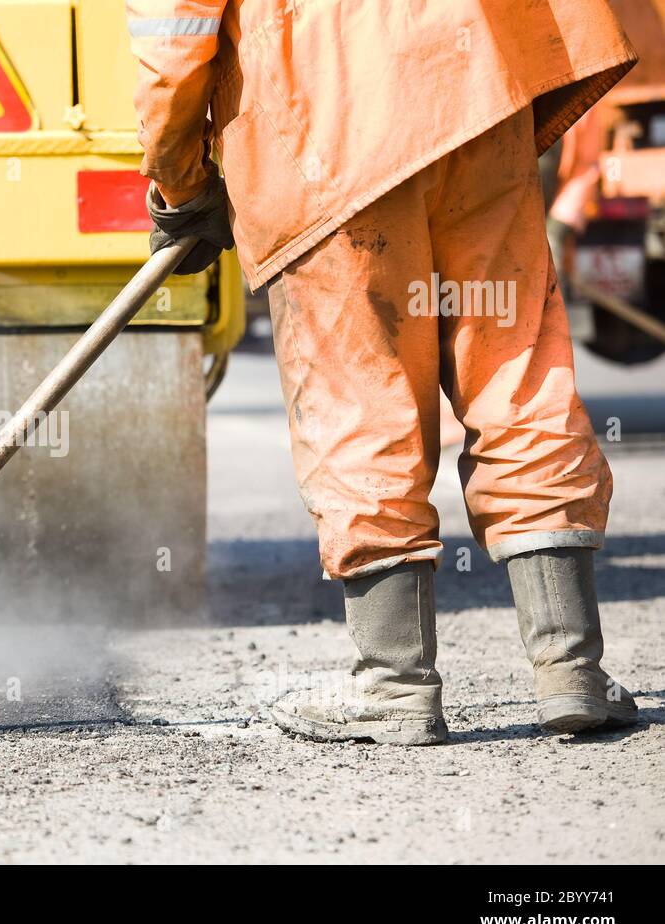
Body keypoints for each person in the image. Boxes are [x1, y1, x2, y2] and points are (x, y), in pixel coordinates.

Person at [130, 0, 640, 744]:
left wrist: (180, 181)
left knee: (359, 395)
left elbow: (171, 31)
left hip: (324, 128)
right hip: (471, 86)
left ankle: (396, 685)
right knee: (516, 366)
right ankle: (572, 670)